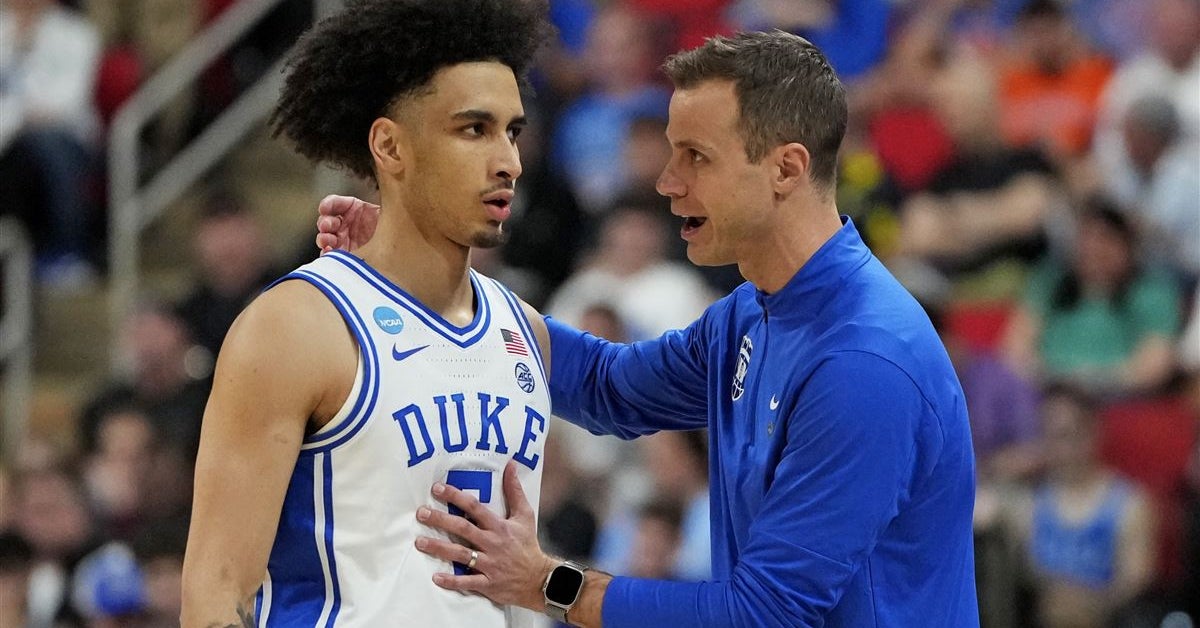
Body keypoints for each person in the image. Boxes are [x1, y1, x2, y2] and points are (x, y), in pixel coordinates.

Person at [319, 30, 978, 627]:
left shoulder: (864, 362)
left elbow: (762, 615)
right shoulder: (753, 311)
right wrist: (428, 262)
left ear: (786, 168)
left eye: (696, 157)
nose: (667, 182)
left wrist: (547, 582)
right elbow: (611, 388)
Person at [180, 0, 555, 625]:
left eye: (512, 131)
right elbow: (215, 593)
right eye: (474, 129)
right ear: (390, 145)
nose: (508, 161)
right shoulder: (298, 326)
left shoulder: (528, 332)